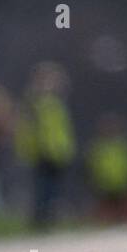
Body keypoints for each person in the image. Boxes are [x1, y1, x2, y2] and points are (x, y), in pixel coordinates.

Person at [15, 61, 75, 227]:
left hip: (57, 152)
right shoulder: (35, 103)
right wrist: (29, 149)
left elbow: (61, 130)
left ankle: (49, 216)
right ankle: (41, 218)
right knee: (43, 187)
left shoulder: (56, 102)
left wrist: (65, 149)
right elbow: (28, 129)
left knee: (53, 188)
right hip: (42, 152)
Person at [86, 113, 127, 222]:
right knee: (106, 211)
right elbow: (92, 166)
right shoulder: (97, 147)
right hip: (104, 184)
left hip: (124, 182)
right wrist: (94, 181)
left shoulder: (125, 145)